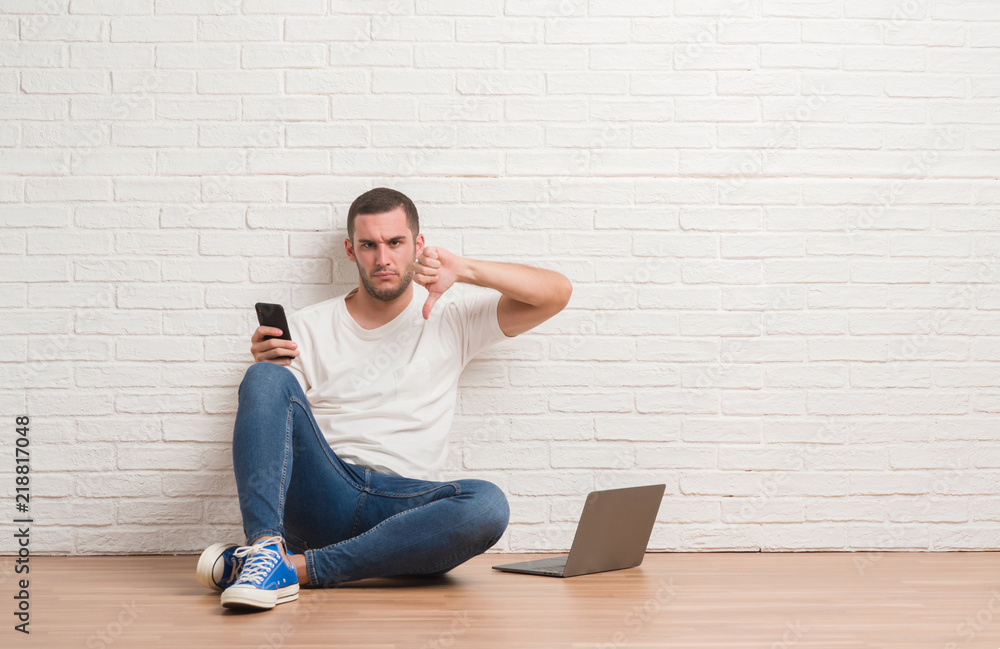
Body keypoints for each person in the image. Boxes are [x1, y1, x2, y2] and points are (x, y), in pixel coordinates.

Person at [195, 188, 573, 610]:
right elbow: (278, 431)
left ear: (418, 246)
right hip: (326, 489)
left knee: (487, 505)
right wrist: (271, 373)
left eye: (396, 243)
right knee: (263, 376)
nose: (383, 259)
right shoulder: (308, 326)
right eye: (369, 245)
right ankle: (265, 548)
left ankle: (290, 570)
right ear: (350, 250)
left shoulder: (453, 318)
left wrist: (464, 269)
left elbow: (555, 293)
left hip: (401, 513)